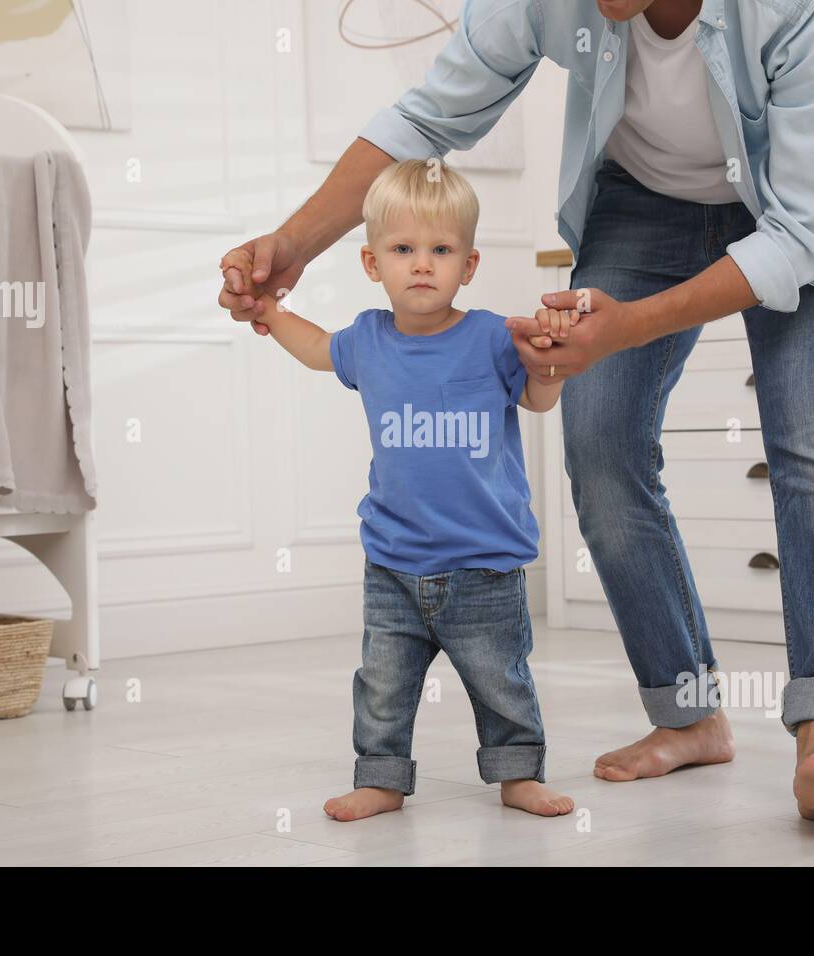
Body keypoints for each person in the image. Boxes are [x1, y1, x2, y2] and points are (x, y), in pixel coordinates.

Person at [221, 0, 814, 823]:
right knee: (601, 438)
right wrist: (291, 245)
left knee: (810, 432)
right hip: (645, 197)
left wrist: (629, 326)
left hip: (800, 207)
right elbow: (426, 116)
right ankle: (690, 716)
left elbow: (802, 232)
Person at [236, 158, 577, 821]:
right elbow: (315, 348)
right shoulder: (367, 340)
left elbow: (537, 400)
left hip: (485, 563)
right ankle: (381, 778)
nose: (422, 264)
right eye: (403, 250)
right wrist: (270, 313)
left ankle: (518, 775)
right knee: (383, 684)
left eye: (441, 250)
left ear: (469, 265)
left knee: (501, 680)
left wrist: (551, 366)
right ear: (372, 263)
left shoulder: (491, 337)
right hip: (393, 561)